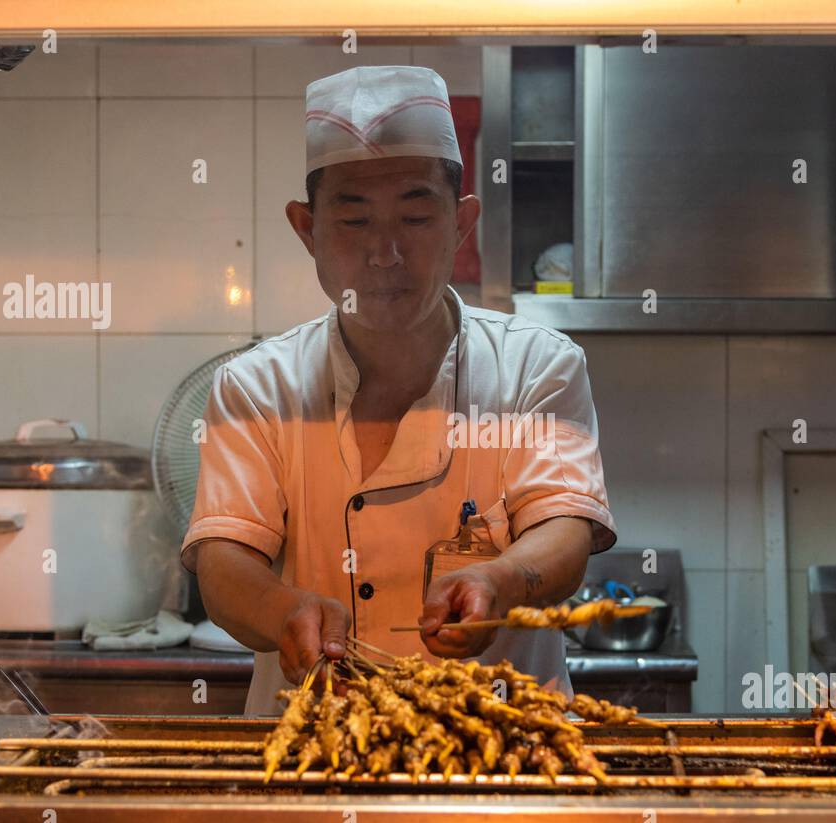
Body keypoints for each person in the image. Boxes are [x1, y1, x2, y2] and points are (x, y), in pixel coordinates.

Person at [180, 65, 616, 713]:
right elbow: (223, 564)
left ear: (462, 221)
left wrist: (500, 577)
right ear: (307, 228)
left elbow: (564, 528)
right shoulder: (257, 385)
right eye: (354, 222)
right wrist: (285, 610)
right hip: (314, 751)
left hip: (500, 752)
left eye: (415, 216)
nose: (385, 252)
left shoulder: (536, 365)